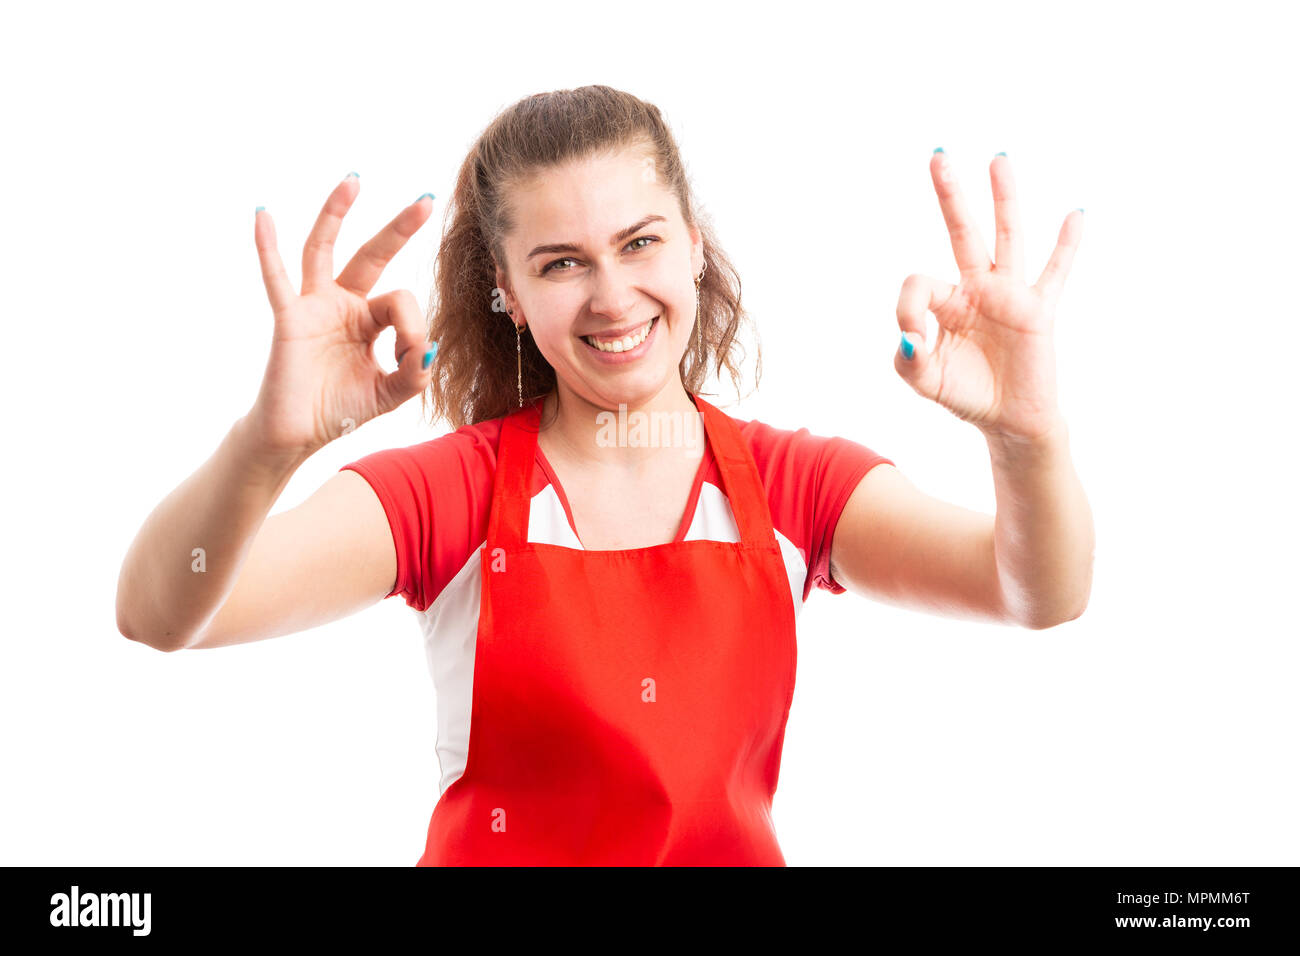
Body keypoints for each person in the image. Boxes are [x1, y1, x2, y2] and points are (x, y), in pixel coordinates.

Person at [115, 85, 1094, 866]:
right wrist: (266, 443)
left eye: (639, 242)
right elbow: (164, 613)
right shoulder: (449, 497)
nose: (612, 293)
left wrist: (1027, 436)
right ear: (506, 291)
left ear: (694, 246)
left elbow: (1036, 592)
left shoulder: (792, 486)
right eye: (560, 263)